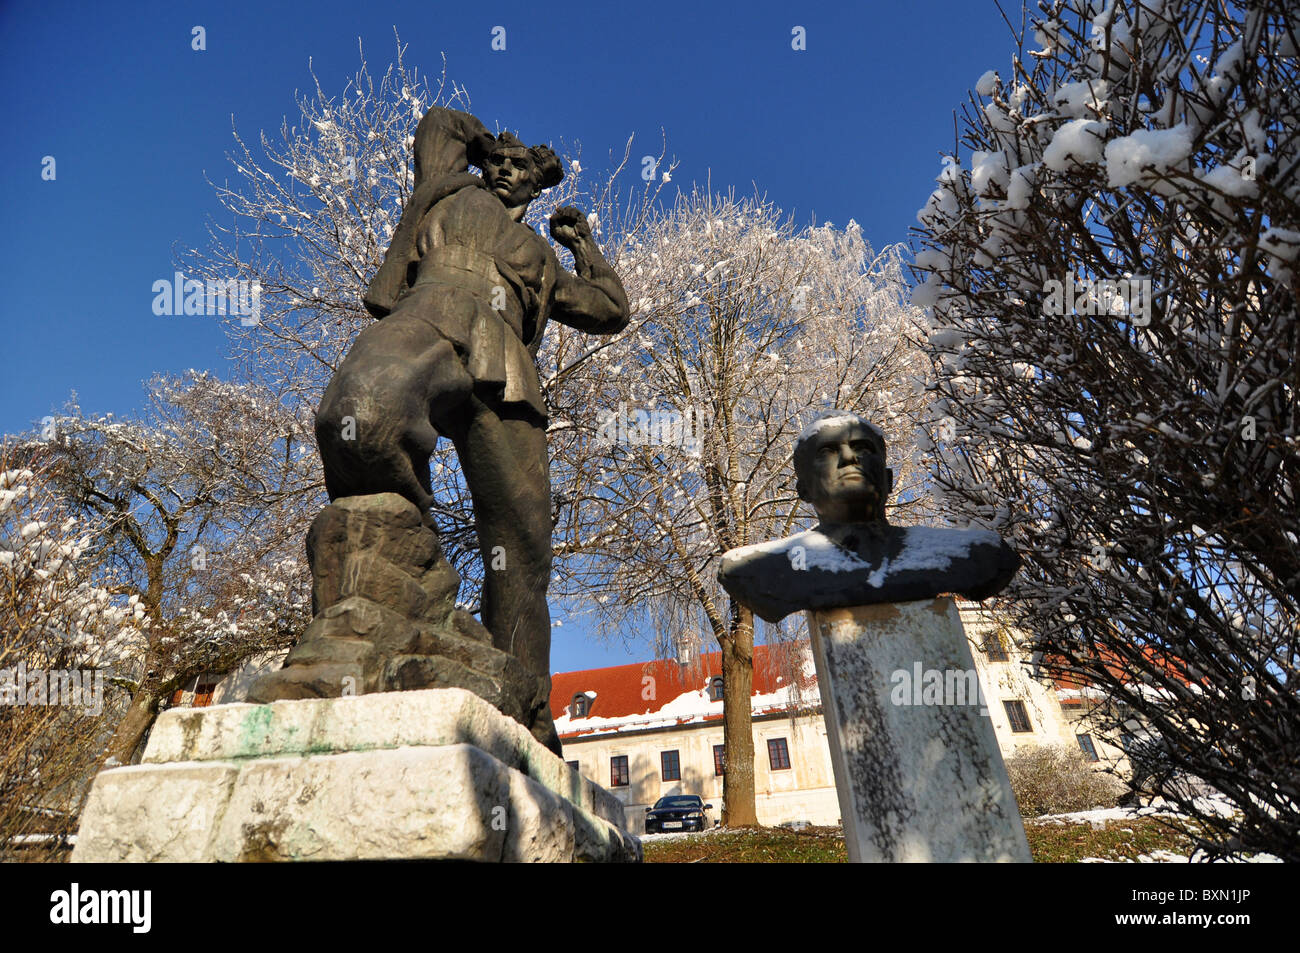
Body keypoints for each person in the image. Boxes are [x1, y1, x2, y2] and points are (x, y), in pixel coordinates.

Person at [314, 107, 629, 748]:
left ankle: (525, 709)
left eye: (522, 169)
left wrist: (585, 247)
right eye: (501, 164)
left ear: (538, 190)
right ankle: (403, 584)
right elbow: (439, 124)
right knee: (354, 421)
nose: (508, 173)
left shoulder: (540, 255)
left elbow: (610, 311)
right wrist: (490, 143)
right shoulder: (448, 189)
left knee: (523, 543)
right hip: (428, 318)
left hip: (507, 368)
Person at [718, 411, 1020, 622]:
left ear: (888, 480)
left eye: (862, 448)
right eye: (827, 452)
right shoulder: (763, 569)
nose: (850, 459)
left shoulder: (975, 554)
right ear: (803, 490)